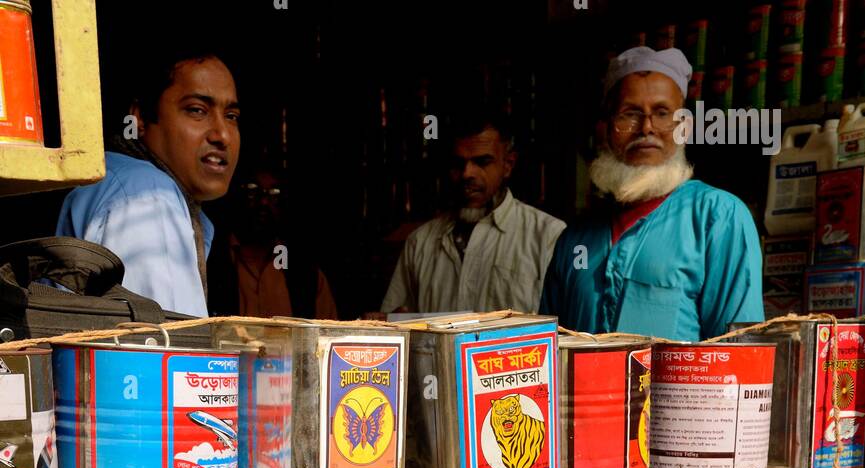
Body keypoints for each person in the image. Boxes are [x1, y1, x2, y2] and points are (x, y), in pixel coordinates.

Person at [540, 47, 764, 339]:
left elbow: (739, 351)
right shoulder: (575, 240)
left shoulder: (719, 217)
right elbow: (548, 353)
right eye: (629, 114)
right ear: (605, 128)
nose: (646, 128)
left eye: (662, 113)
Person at [57, 51, 240, 316]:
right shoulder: (147, 194)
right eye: (197, 110)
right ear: (140, 118)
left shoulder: (123, 179)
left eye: (232, 116)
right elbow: (170, 348)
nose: (222, 135)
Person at [381, 107, 565, 315]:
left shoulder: (549, 237)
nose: (467, 173)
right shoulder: (420, 243)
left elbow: (566, 333)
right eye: (458, 164)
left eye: (482, 162)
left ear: (508, 164)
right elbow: (393, 327)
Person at [208, 165, 338, 319]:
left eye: (274, 193)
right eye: (253, 190)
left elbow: (327, 336)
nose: (263, 202)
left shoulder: (304, 272)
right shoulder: (212, 261)